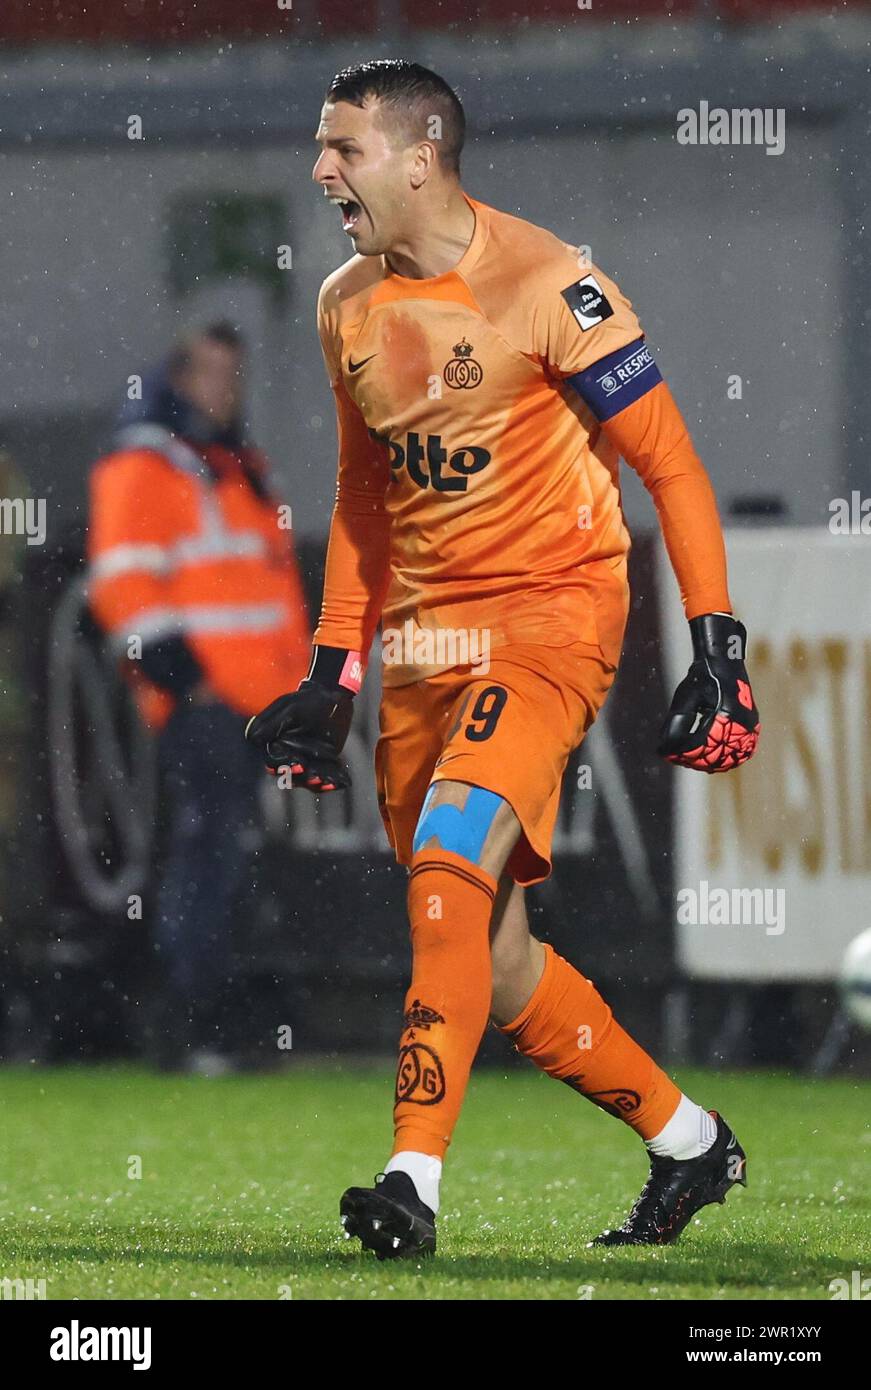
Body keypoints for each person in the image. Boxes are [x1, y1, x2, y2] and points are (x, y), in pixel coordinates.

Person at [245, 60, 759, 1255]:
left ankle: (411, 1179)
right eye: (323, 149)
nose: (323, 170)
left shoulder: (550, 284)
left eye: (345, 149)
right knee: (493, 950)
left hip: (550, 618)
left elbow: (671, 467)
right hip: (423, 645)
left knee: (447, 856)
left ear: (419, 157)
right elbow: (362, 496)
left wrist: (717, 649)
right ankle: (689, 1140)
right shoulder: (344, 304)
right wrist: (332, 677)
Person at [88, 322, 311, 1071]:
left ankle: (216, 1023)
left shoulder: (230, 464)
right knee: (208, 858)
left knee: (228, 861)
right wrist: (191, 685)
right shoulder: (148, 466)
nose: (227, 389)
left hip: (257, 706)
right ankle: (189, 1022)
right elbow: (124, 584)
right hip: (210, 707)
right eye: (213, 374)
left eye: (233, 374)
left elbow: (265, 590)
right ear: (178, 378)